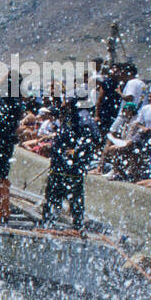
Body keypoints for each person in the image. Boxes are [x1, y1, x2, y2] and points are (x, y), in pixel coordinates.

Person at [41, 95, 100, 229]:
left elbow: (94, 137)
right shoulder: (69, 115)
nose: (62, 104)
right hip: (59, 165)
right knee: (52, 196)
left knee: (74, 198)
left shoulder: (83, 117)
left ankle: (77, 226)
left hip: (71, 167)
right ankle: (48, 223)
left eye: (64, 101)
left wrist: (77, 151)